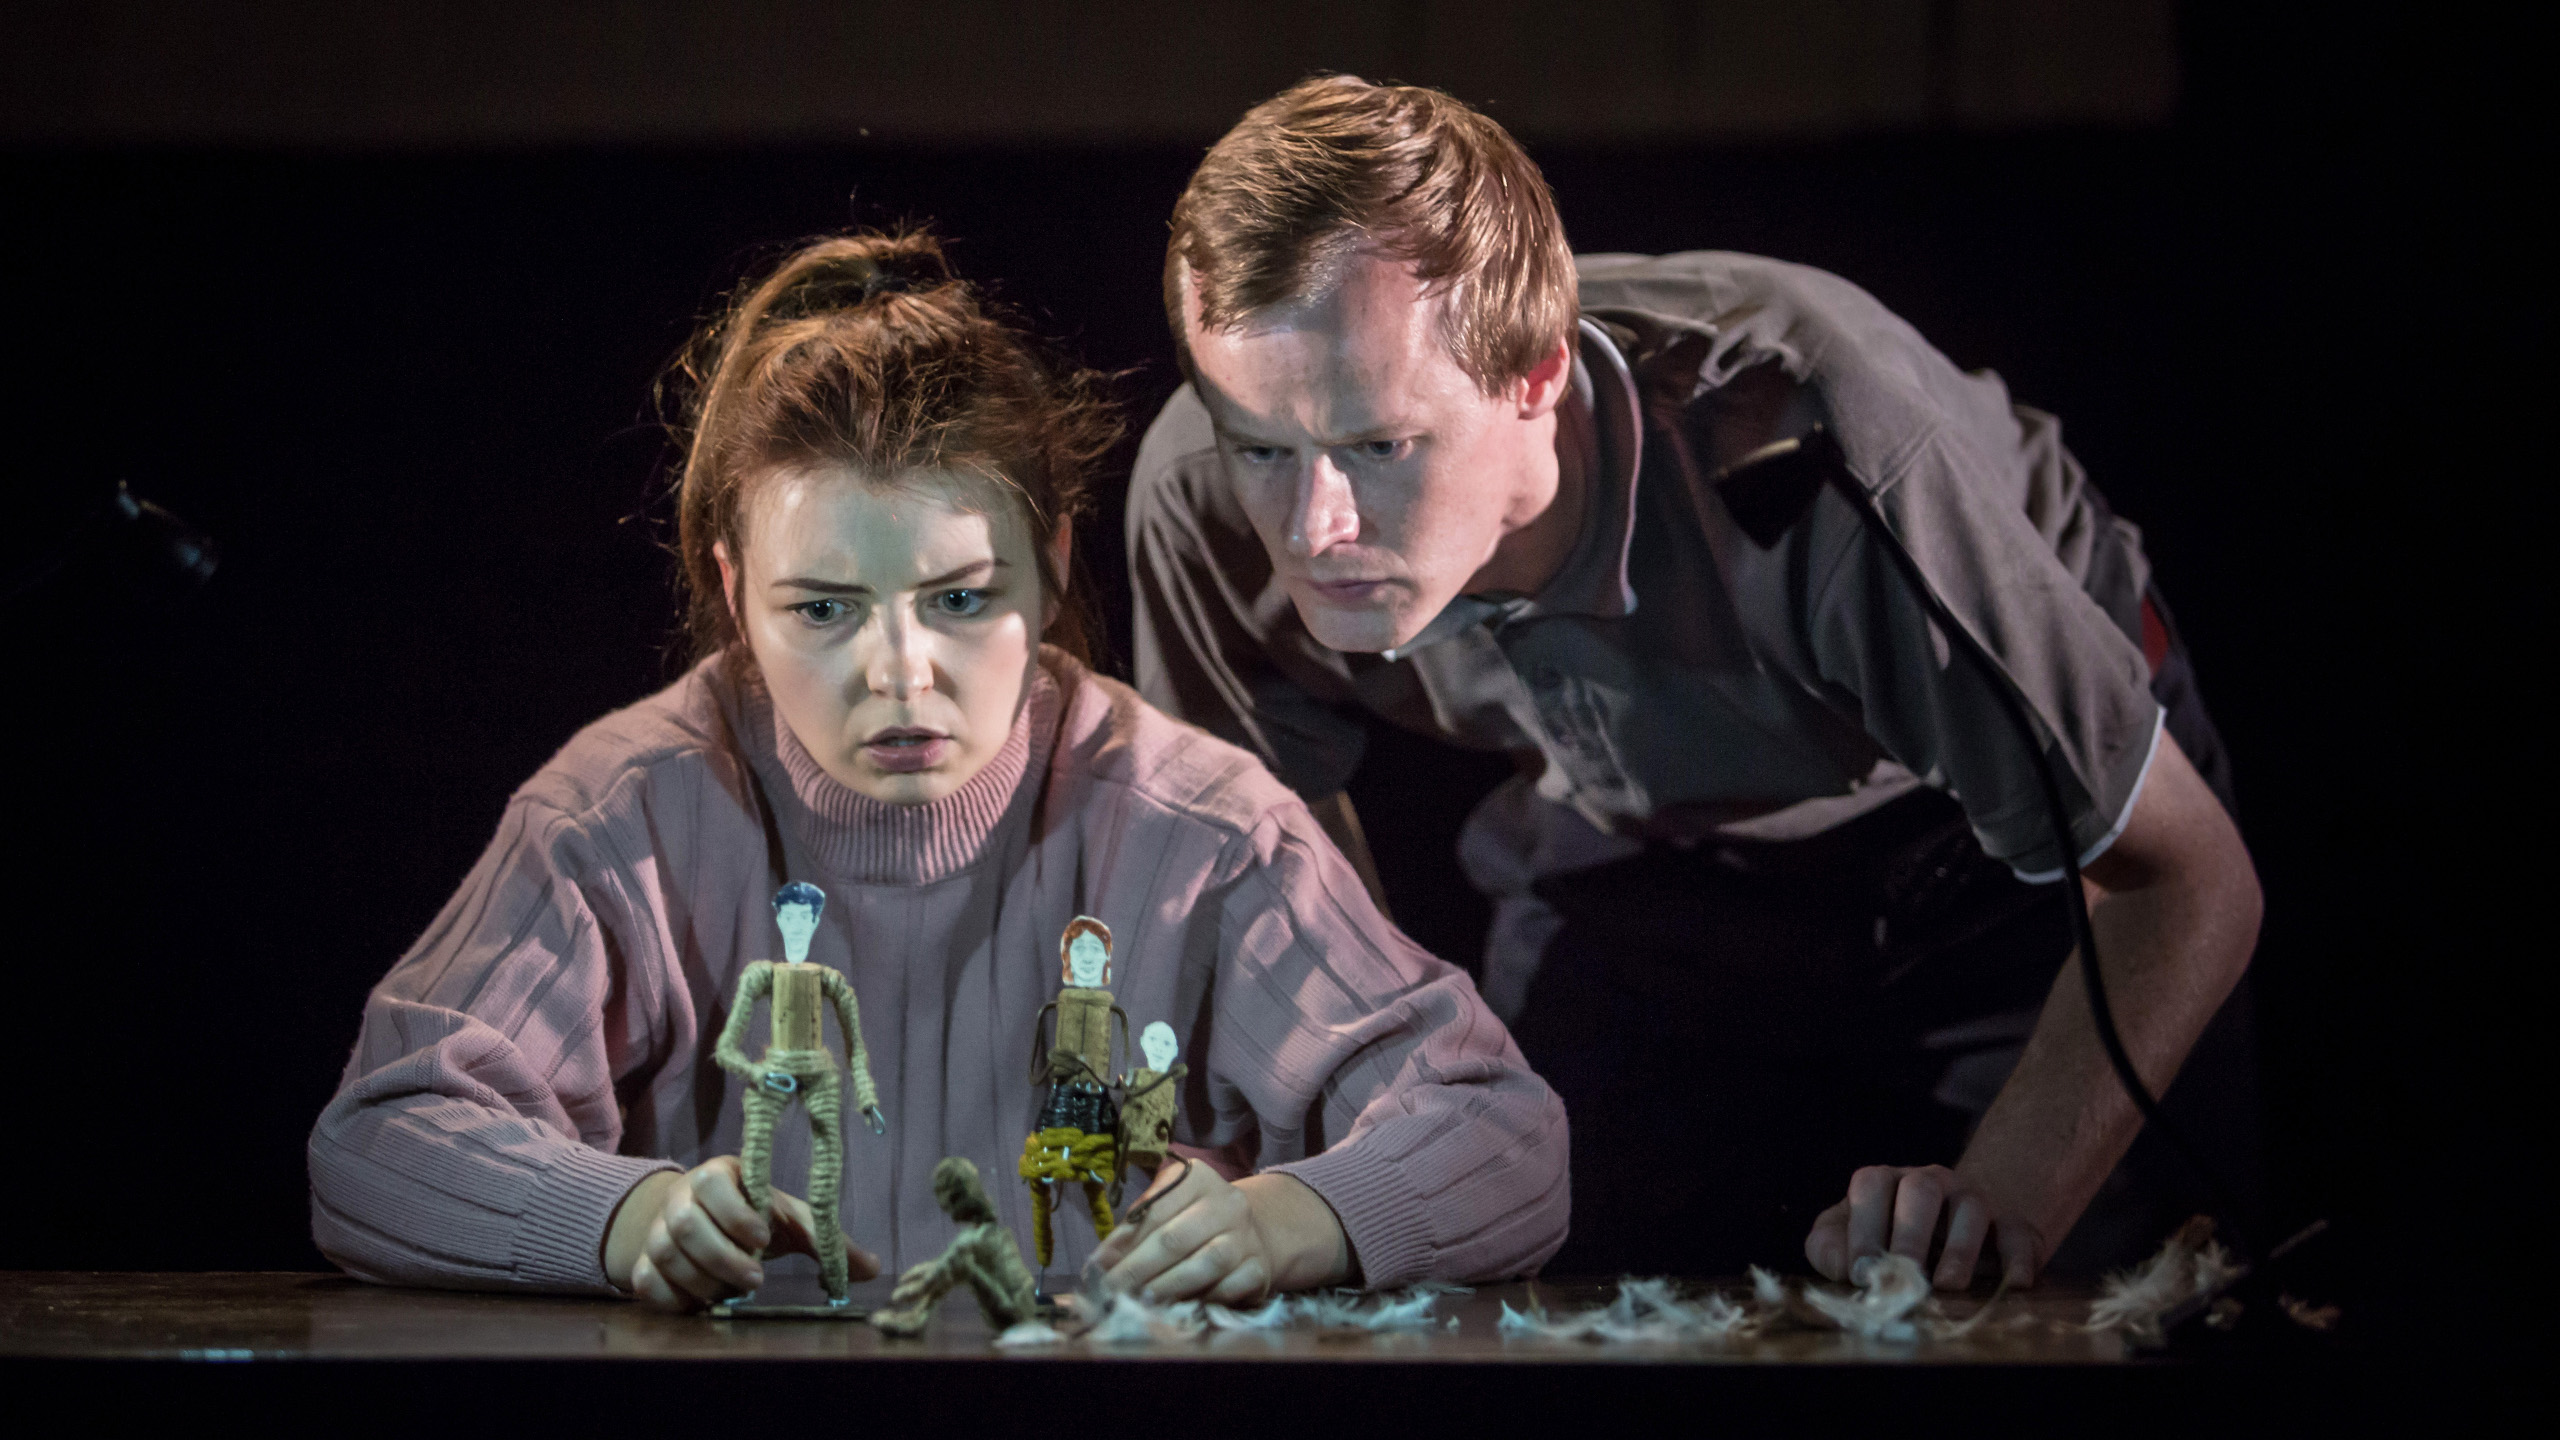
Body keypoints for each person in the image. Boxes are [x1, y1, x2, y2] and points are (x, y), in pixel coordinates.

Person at [1127, 77, 2264, 1288]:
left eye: (1379, 446)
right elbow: (1264, 888)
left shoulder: (1825, 448)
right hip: (1630, 851)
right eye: (1262, 446)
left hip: (2001, 861)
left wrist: (1998, 1209)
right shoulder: (1198, 500)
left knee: (2082, 1311)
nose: (1313, 525)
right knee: (1498, 1268)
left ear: (1535, 377)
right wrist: (1326, 1176)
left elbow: (2184, 882)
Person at [307, 228, 1566, 1311]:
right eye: (822, 610)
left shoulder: (1204, 832)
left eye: (962, 598)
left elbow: (1504, 1137)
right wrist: (621, 1219)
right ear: (737, 592)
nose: (900, 671)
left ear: (1054, 561)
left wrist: (1294, 1221)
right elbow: (378, 1140)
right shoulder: (617, 817)